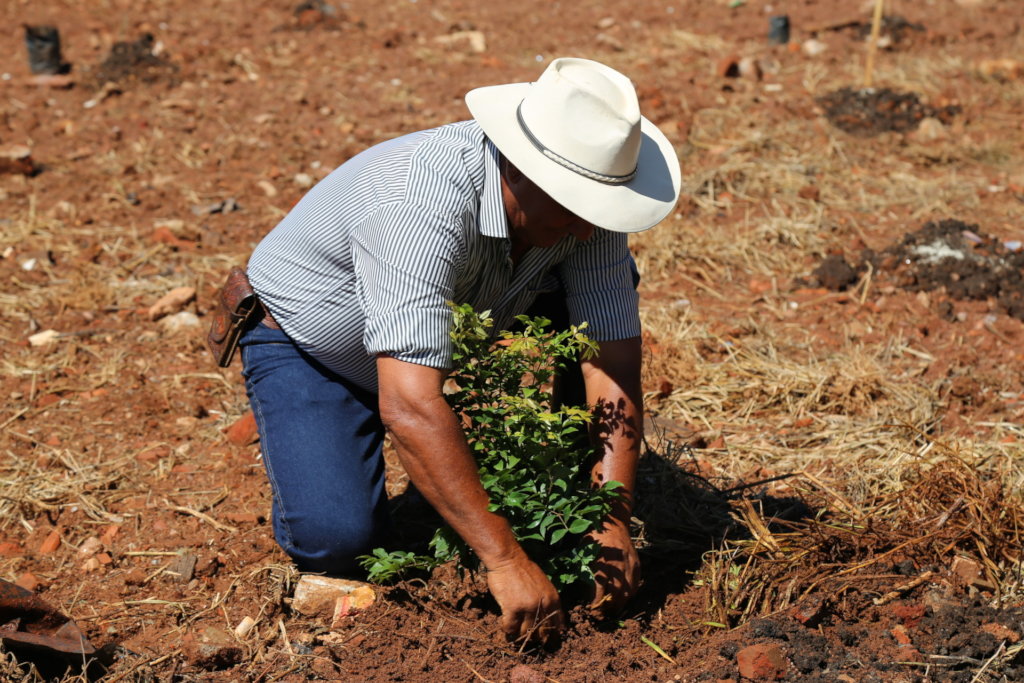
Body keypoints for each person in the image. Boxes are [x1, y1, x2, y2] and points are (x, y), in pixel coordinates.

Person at [236, 57, 681, 643]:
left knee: (595, 300)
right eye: (575, 208)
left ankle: (571, 502)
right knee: (336, 539)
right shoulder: (417, 201)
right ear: (519, 170)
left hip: (436, 340)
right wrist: (505, 560)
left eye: (596, 210)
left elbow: (612, 364)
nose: (586, 230)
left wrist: (611, 518)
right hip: (313, 346)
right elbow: (411, 404)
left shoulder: (583, 210)